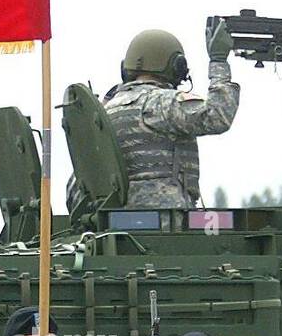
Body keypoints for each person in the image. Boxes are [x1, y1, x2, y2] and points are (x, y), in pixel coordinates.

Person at [101, 22, 239, 209]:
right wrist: (219, 61)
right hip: (167, 222)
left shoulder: (108, 109)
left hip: (121, 220)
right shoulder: (161, 102)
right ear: (176, 66)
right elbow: (218, 117)